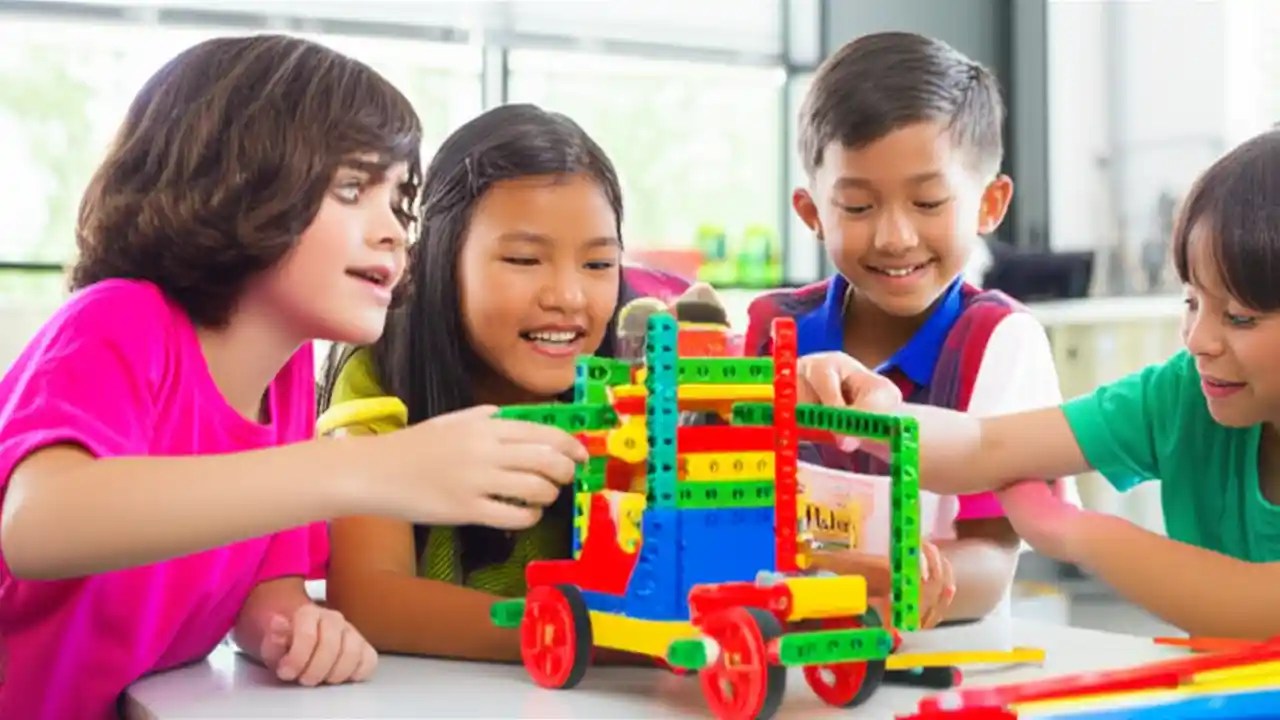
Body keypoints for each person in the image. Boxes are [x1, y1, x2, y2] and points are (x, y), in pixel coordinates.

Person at [0, 37, 584, 720]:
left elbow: (263, 578)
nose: (395, 231)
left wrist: (289, 626)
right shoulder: (122, 322)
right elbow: (39, 527)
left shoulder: (285, 379)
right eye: (350, 189)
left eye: (399, 200)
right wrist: (369, 468)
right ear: (233, 181)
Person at [800, 129, 1280, 641]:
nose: (1199, 339)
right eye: (1191, 302)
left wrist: (1077, 532)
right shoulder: (1186, 394)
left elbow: (1263, 607)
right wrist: (870, 416)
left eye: (1239, 317)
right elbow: (988, 444)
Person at [319, 104, 687, 663]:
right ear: (442, 259)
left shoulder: (642, 377)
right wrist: (618, 639)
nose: (568, 297)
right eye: (523, 259)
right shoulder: (382, 370)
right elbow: (370, 599)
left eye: (598, 265)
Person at [744, 31, 1068, 629]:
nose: (895, 237)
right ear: (812, 214)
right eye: (859, 207)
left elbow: (991, 562)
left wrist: (863, 599)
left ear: (990, 205)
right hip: (771, 647)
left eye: (928, 203)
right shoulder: (775, 328)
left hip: (931, 655)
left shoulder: (1000, 342)